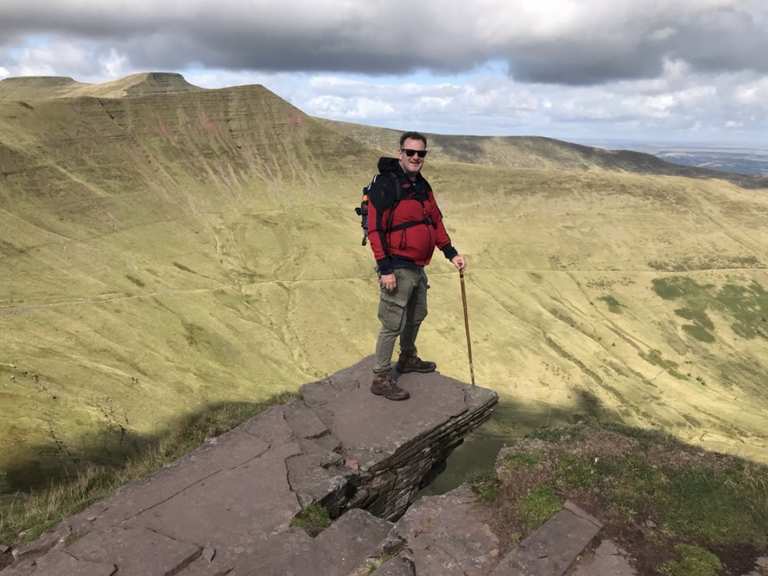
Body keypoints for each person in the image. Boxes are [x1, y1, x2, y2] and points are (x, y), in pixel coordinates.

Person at [366, 131, 465, 401]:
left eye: (420, 153)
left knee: (417, 314)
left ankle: (407, 357)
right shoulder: (385, 184)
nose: (415, 157)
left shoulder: (422, 185)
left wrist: (450, 252)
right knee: (391, 322)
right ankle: (381, 377)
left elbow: (435, 221)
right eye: (410, 152)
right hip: (396, 266)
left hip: (418, 266)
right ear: (400, 153)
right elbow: (374, 229)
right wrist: (385, 269)